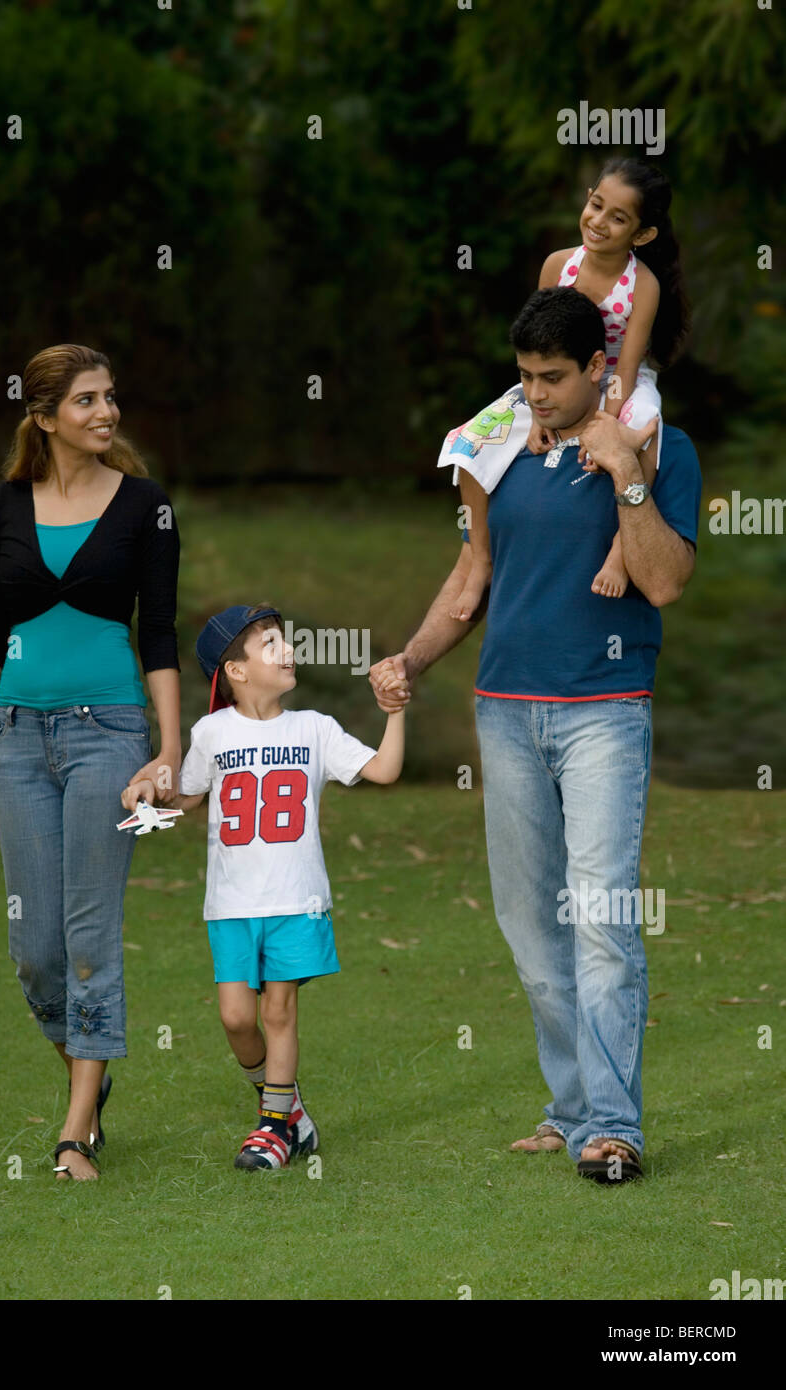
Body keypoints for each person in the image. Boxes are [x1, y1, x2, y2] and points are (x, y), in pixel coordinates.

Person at [372, 288, 701, 1182]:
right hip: (504, 714)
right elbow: (474, 570)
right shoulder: (497, 444)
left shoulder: (659, 446)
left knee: (598, 921)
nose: (535, 394)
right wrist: (412, 658)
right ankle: (569, 1110)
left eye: (552, 378)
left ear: (599, 368)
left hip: (604, 710)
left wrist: (625, 472)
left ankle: (614, 1127)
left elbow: (665, 581)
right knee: (529, 927)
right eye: (523, 376)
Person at [0, 343, 181, 1181]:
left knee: (90, 934)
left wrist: (169, 745)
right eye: (86, 401)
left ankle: (75, 1129)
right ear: (44, 417)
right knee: (34, 949)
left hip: (108, 737)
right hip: (16, 741)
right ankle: (92, 1068)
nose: (106, 412)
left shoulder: (144, 507)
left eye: (110, 396)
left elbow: (158, 632)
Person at [123, 604, 404, 1170]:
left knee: (278, 1012)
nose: (287, 650)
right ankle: (287, 1110)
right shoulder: (210, 732)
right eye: (270, 643)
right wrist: (147, 786)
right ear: (237, 670)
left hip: (295, 899)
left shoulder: (314, 728)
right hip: (230, 904)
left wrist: (394, 713)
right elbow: (185, 794)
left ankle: (272, 1129)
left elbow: (384, 771)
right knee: (235, 1018)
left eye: (285, 639)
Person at [449, 156, 689, 615]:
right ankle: (479, 561)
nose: (598, 222)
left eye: (617, 218)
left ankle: (620, 551)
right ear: (587, 199)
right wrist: (536, 413)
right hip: (558, 381)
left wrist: (603, 425)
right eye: (596, 205)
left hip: (620, 381)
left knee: (645, 435)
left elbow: (625, 369)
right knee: (472, 441)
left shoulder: (643, 285)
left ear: (641, 234)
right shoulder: (558, 265)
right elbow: (537, 348)